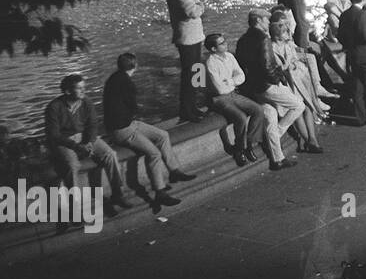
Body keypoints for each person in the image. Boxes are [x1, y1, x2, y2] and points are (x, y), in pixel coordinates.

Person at [102, 53, 190, 210]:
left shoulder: (114, 78)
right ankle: (160, 192)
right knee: (154, 153)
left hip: (127, 124)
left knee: (163, 135)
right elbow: (133, 106)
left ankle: (174, 170)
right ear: (135, 66)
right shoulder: (127, 83)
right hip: (123, 130)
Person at [45, 74, 133, 217]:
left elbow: (93, 125)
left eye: (84, 87)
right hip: (64, 141)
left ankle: (118, 194)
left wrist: (89, 142)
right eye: (79, 88)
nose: (84, 91)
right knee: (72, 166)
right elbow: (54, 135)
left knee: (110, 154)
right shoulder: (54, 107)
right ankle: (75, 210)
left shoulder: (86, 102)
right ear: (67, 91)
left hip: (85, 138)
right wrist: (75, 146)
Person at [235, 9, 301, 169]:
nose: (268, 22)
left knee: (270, 115)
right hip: (266, 85)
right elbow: (267, 66)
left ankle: (277, 159)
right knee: (298, 105)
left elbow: (240, 64)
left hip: (251, 87)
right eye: (266, 20)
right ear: (258, 20)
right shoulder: (263, 38)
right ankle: (277, 134)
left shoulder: (242, 40)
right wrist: (277, 78)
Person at [204, 32, 266, 166]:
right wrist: (233, 82)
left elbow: (242, 76)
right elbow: (219, 89)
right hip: (219, 99)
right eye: (221, 43)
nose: (225, 43)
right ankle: (240, 150)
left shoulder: (230, 56)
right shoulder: (210, 63)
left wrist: (229, 81)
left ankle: (250, 143)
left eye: (224, 41)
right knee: (240, 117)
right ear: (213, 49)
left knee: (258, 110)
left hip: (232, 93)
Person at [269, 20, 326, 152]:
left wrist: (292, 64)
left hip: (297, 80)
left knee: (308, 107)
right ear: (278, 35)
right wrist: (289, 64)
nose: (288, 33)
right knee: (298, 110)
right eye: (285, 32)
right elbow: (279, 67)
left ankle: (312, 139)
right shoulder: (272, 48)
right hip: (286, 83)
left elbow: (294, 60)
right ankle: (309, 141)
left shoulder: (288, 46)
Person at [165, 0, 208, 123]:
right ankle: (186, 110)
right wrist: (201, 6)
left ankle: (194, 105)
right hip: (187, 38)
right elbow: (193, 11)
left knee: (197, 71)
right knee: (190, 74)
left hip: (194, 37)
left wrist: (198, 4)